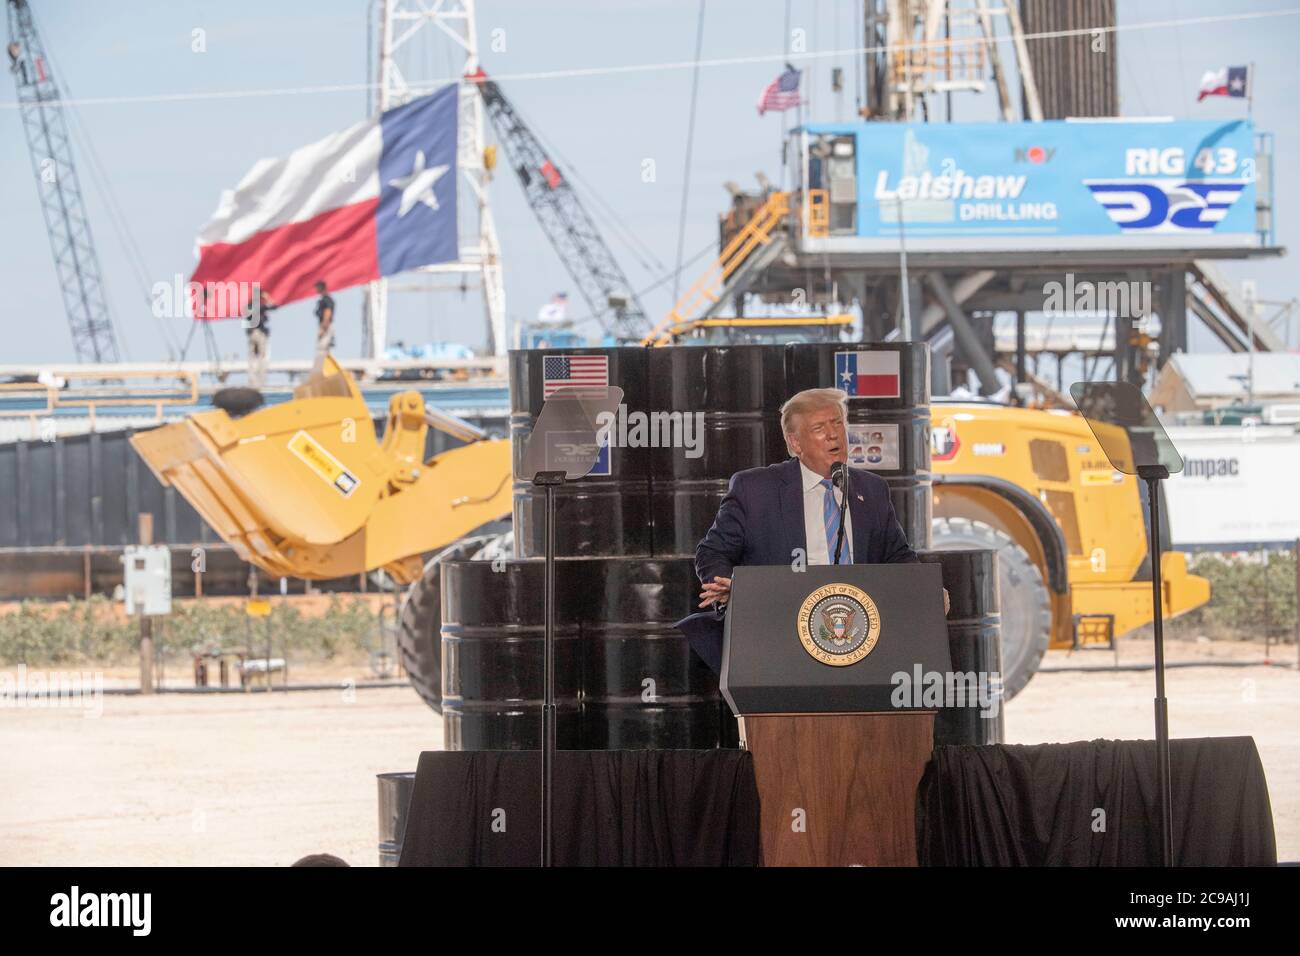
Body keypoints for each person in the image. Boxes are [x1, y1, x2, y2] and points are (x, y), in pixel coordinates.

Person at [686, 387, 947, 673]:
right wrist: (737, 593)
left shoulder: (871, 490)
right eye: (820, 428)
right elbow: (712, 552)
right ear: (796, 443)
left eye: (837, 423)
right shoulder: (756, 490)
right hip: (779, 641)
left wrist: (926, 591)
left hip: (862, 642)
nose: (834, 434)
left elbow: (897, 556)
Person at [243, 288, 277, 389]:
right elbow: (274, 306)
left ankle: (252, 382)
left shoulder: (249, 306)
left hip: (251, 333)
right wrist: (267, 297)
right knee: (262, 357)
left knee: (252, 358)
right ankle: (261, 382)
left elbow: (246, 320)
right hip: (259, 332)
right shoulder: (259, 306)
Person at [311, 281, 335, 375]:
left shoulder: (327, 299)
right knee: (324, 349)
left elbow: (327, 313)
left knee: (322, 349)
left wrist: (323, 328)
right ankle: (323, 371)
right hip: (325, 326)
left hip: (325, 326)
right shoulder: (323, 299)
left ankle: (320, 372)